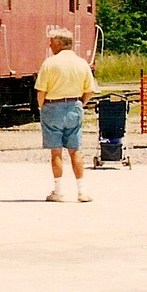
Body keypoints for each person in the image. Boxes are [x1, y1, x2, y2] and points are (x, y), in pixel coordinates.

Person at [35, 27, 97, 202]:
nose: (50, 45)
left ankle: (58, 191)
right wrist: (80, 104)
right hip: (74, 106)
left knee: (56, 152)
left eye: (52, 43)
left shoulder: (49, 63)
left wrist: (42, 107)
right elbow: (90, 90)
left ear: (59, 44)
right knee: (75, 151)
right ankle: (82, 191)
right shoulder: (82, 63)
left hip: (52, 107)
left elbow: (41, 91)